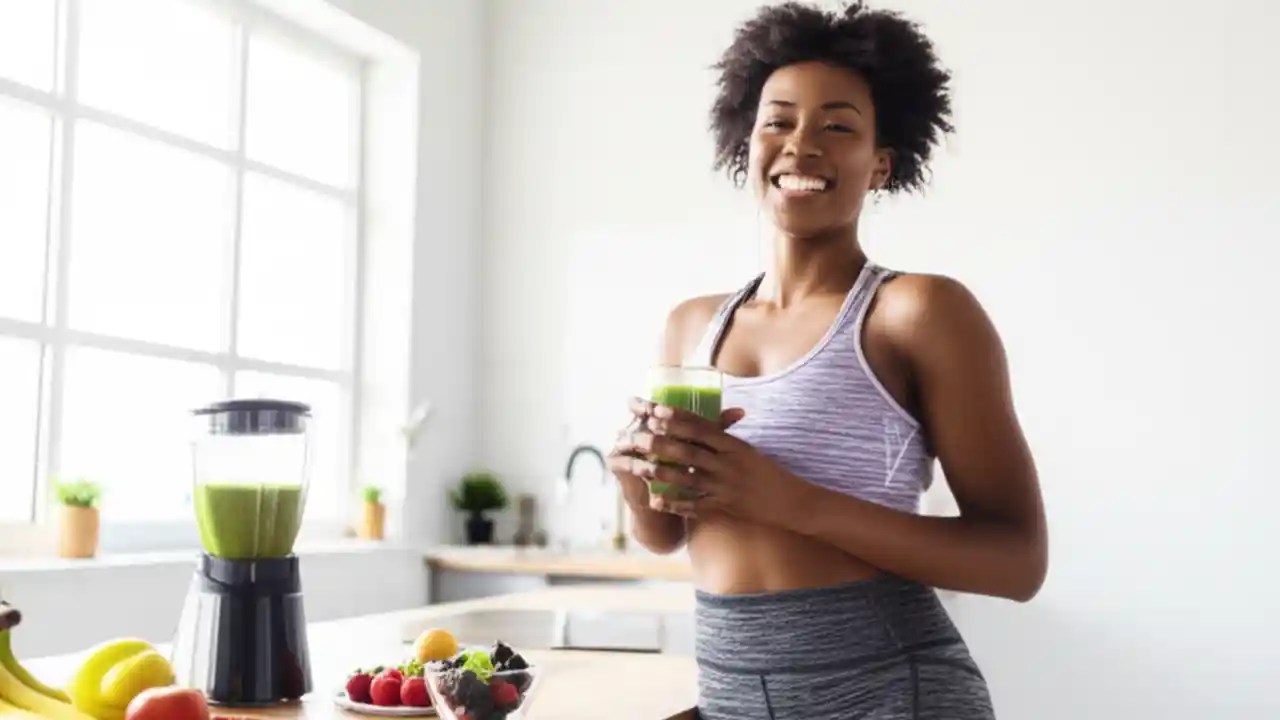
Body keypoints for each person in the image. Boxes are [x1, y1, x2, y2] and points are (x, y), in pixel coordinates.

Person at [607, 2, 1048, 718]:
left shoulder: (918, 313)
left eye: (838, 126)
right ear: (745, 142)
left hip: (891, 692)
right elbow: (665, 533)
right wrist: (633, 479)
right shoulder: (691, 325)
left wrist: (790, 501)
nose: (802, 144)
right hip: (734, 695)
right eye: (777, 120)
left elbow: (1018, 561)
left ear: (880, 165)